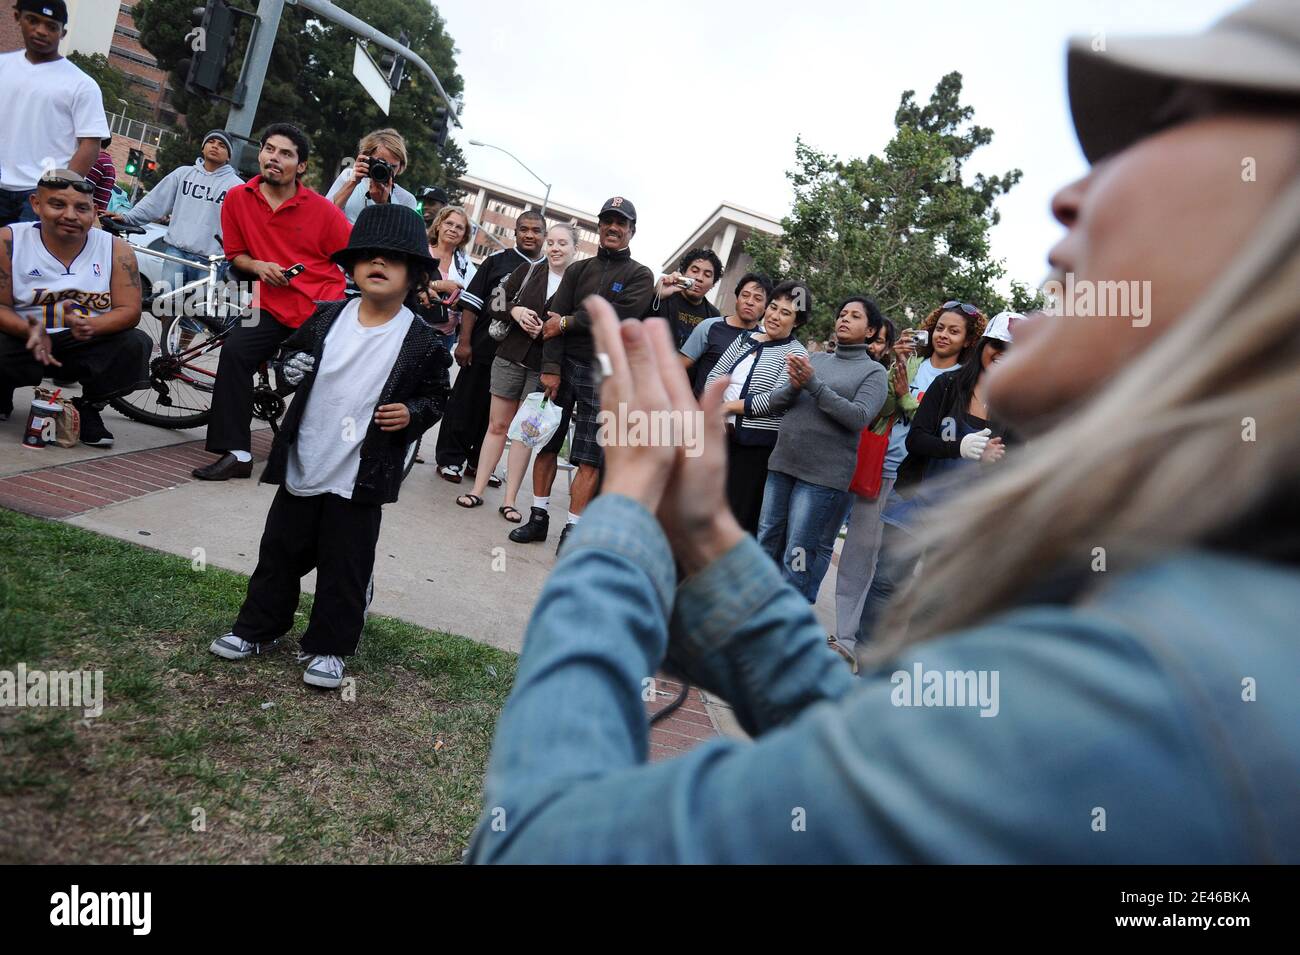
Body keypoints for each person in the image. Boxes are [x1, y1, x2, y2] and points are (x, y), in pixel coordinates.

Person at [468, 0, 1300, 861]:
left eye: (1159, 134)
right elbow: (901, 750)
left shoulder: (1150, 700)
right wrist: (709, 542)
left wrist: (622, 524)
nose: (1070, 194)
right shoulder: (1203, 617)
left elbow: (535, 844)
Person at [208, 204, 450, 689]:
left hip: (361, 473)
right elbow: (291, 358)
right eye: (368, 256)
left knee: (346, 564)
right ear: (353, 266)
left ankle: (330, 647)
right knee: (279, 552)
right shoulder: (326, 318)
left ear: (414, 275)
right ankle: (259, 628)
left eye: (393, 259)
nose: (378, 264)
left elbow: (437, 395)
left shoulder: (422, 342)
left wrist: (412, 415)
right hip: (307, 458)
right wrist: (289, 369)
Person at [192, 123, 351, 481]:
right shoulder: (237, 198)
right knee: (234, 353)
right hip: (270, 304)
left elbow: (355, 257)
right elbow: (236, 255)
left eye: (286, 153)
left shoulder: (323, 211)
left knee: (321, 378)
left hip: (319, 308)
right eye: (269, 149)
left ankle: (315, 457)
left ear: (302, 165)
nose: (274, 158)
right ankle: (237, 453)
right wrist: (258, 266)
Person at [852, 301, 986, 641]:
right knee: (869, 563)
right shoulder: (912, 363)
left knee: (916, 585)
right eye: (940, 327)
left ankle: (893, 652)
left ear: (970, 340)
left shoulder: (963, 383)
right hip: (890, 468)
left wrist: (907, 399)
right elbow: (881, 413)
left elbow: (936, 430)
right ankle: (854, 642)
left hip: (931, 483)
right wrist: (893, 371)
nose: (943, 335)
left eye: (954, 331)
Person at [538, 196, 655, 553]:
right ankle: (537, 515)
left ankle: (572, 530)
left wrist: (570, 322)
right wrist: (550, 369)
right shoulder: (577, 270)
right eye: (608, 221)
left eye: (621, 223)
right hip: (565, 368)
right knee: (546, 442)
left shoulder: (640, 275)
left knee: (590, 454)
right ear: (599, 226)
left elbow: (615, 317)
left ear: (632, 230)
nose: (613, 228)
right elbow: (551, 325)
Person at [754, 296, 888, 602]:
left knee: (797, 552)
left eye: (855, 316)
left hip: (822, 477)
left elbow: (858, 417)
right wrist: (793, 383)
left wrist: (814, 385)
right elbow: (778, 402)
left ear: (870, 331)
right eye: (842, 313)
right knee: (766, 541)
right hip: (783, 463)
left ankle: (787, 627)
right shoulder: (815, 360)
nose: (844, 319)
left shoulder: (874, 372)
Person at [0, 169, 149, 443]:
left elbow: (129, 311)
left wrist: (92, 325)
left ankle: (91, 406)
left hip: (82, 341)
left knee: (134, 343)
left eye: (82, 208)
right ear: (36, 203)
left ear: (94, 212)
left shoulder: (117, 250)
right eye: (57, 204)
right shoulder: (8, 240)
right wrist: (29, 330)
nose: (70, 215)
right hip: (24, 339)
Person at [458, 223, 577, 520]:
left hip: (544, 369)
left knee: (524, 435)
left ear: (575, 248)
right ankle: (477, 490)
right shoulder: (528, 271)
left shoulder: (578, 284)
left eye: (563, 243)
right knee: (496, 427)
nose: (555, 248)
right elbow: (494, 299)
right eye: (551, 242)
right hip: (509, 357)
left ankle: (509, 501)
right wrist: (514, 310)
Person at [436, 210, 546, 485]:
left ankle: (479, 463)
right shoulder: (497, 261)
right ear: (516, 232)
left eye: (535, 230)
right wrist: (464, 343)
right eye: (524, 229)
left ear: (544, 235)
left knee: (498, 417)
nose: (529, 235)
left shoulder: (552, 271)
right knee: (465, 405)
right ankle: (451, 459)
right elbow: (472, 305)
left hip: (518, 357)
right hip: (484, 348)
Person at [705, 280, 810, 534]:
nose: (775, 315)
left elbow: (778, 399)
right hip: (717, 439)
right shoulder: (744, 339)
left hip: (754, 450)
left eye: (786, 313)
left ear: (797, 322)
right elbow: (714, 376)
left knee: (735, 521)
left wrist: (727, 407)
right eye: (773, 307)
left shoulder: (797, 354)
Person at [831, 317, 905, 661]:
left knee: (884, 566)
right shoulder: (883, 373)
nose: (875, 346)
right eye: (873, 340)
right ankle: (846, 636)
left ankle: (866, 638)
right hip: (869, 468)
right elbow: (880, 409)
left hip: (904, 479)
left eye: (881, 342)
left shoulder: (955, 378)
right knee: (856, 556)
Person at [0, 1, 110, 227]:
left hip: (39, 193)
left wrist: (59, 190)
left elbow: (90, 143)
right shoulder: (3, 67)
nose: (41, 30)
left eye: (51, 26)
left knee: (23, 261)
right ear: (17, 17)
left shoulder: (82, 84)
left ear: (63, 32)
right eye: (33, 20)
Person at [105, 130, 243, 299]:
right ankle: (166, 328)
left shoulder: (237, 187)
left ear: (229, 156)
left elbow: (244, 225)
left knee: (197, 315)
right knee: (167, 303)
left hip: (211, 261)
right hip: (176, 253)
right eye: (211, 142)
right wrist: (128, 217)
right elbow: (155, 201)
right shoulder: (182, 174)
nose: (215, 146)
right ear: (203, 147)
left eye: (222, 145)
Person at [679, 271, 770, 395]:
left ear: (766, 306)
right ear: (737, 299)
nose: (749, 302)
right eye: (745, 295)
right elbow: (679, 367)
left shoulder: (765, 340)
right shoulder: (709, 326)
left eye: (758, 298)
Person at [324, 128, 418, 224]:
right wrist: (352, 182)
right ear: (365, 156)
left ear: (401, 166)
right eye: (381, 163)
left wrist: (384, 205)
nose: (386, 170)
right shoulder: (348, 176)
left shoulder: (406, 199)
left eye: (392, 167)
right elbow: (324, 216)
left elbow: (401, 236)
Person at [422, 204, 476, 358]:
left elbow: (474, 295)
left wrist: (461, 300)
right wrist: (440, 285)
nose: (453, 229)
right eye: (449, 223)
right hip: (415, 328)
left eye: (459, 227)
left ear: (464, 235)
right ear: (438, 225)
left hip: (446, 337)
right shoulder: (422, 251)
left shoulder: (465, 263)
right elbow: (406, 281)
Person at [645, 247, 721, 348]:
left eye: (707, 275)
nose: (699, 278)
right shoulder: (663, 298)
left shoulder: (714, 316)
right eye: (694, 271)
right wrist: (656, 295)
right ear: (683, 273)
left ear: (713, 284)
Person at [85, 138, 115, 214]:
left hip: (88, 214)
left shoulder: (97, 161)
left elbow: (84, 191)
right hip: (96, 215)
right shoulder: (107, 161)